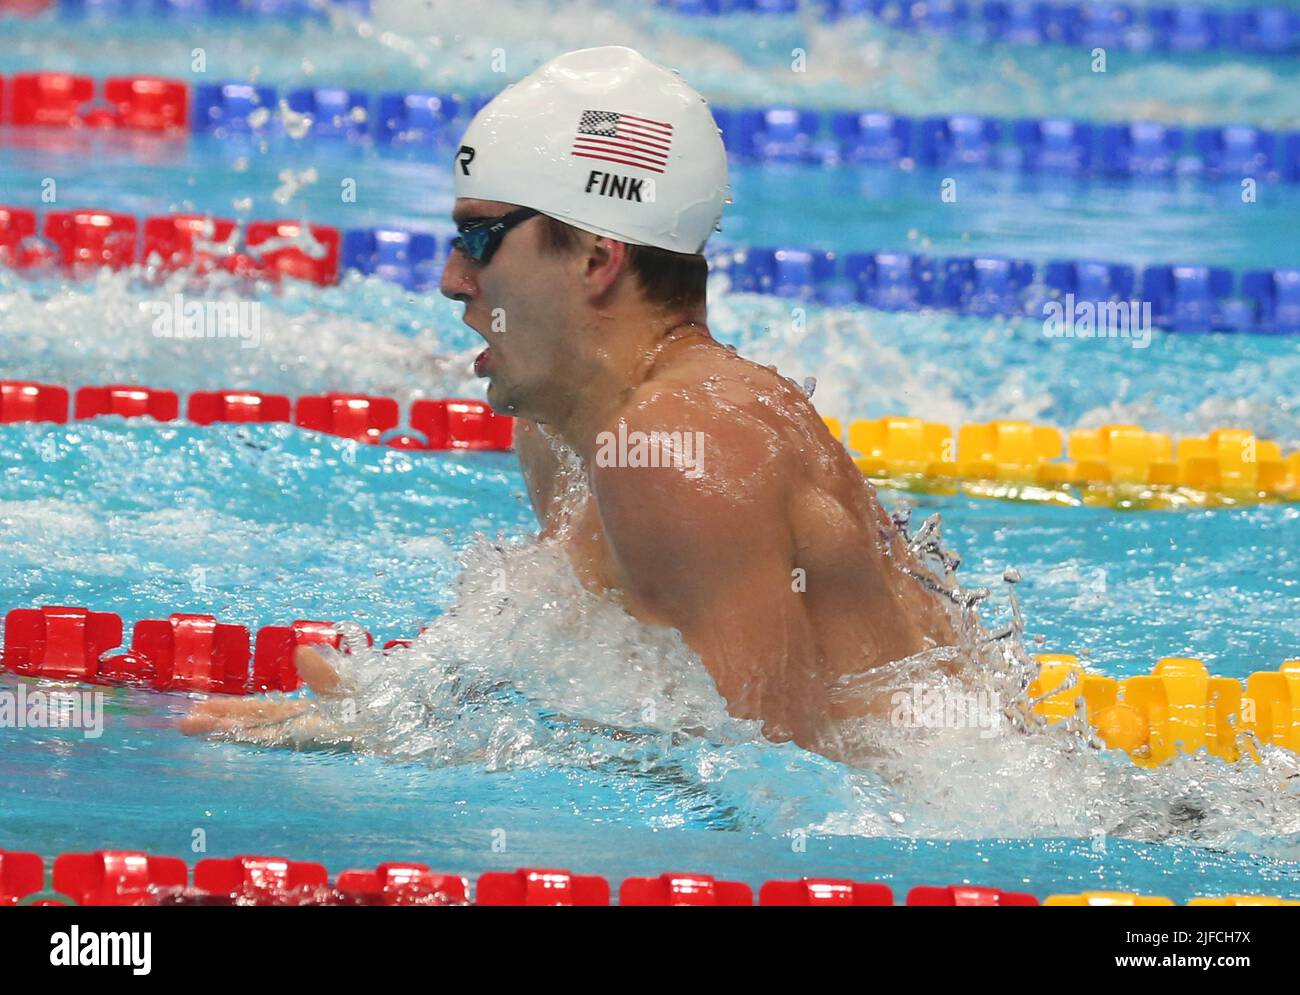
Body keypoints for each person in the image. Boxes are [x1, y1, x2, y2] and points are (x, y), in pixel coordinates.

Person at [182, 46, 962, 756]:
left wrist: (440, 753)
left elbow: (772, 787)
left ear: (596, 257)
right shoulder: (564, 427)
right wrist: (398, 712)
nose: (454, 278)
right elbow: (639, 696)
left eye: (480, 238)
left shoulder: (680, 444)